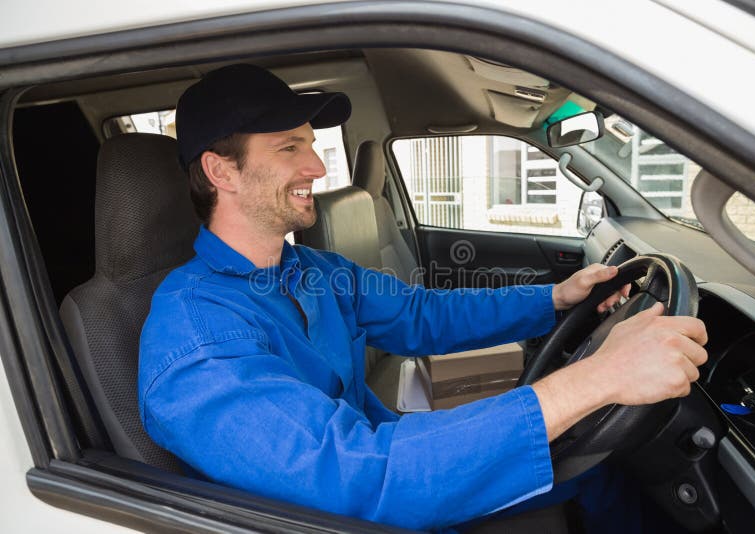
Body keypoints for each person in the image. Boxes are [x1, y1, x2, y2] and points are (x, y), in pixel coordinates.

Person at [138, 64, 708, 531]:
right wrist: (596, 379)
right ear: (221, 171)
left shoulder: (309, 271)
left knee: (597, 470)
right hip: (370, 513)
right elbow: (361, 478)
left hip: (404, 485)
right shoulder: (195, 339)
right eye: (290, 147)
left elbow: (422, 314)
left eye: (311, 144)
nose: (315, 165)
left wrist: (556, 298)